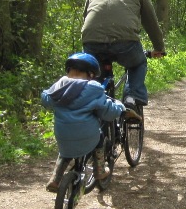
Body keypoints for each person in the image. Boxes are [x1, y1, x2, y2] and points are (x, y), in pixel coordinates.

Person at [81, 0, 166, 115]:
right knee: (137, 64)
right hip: (125, 42)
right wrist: (159, 46)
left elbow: (86, 16)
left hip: (92, 40)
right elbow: (150, 19)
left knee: (96, 76)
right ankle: (131, 99)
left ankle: (94, 104)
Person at [41, 52, 126, 192]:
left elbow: (46, 100)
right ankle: (99, 170)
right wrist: (119, 109)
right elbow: (107, 112)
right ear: (91, 74)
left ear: (69, 70)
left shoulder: (59, 85)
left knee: (65, 152)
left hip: (62, 135)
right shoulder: (93, 88)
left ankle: (55, 179)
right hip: (87, 136)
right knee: (98, 137)